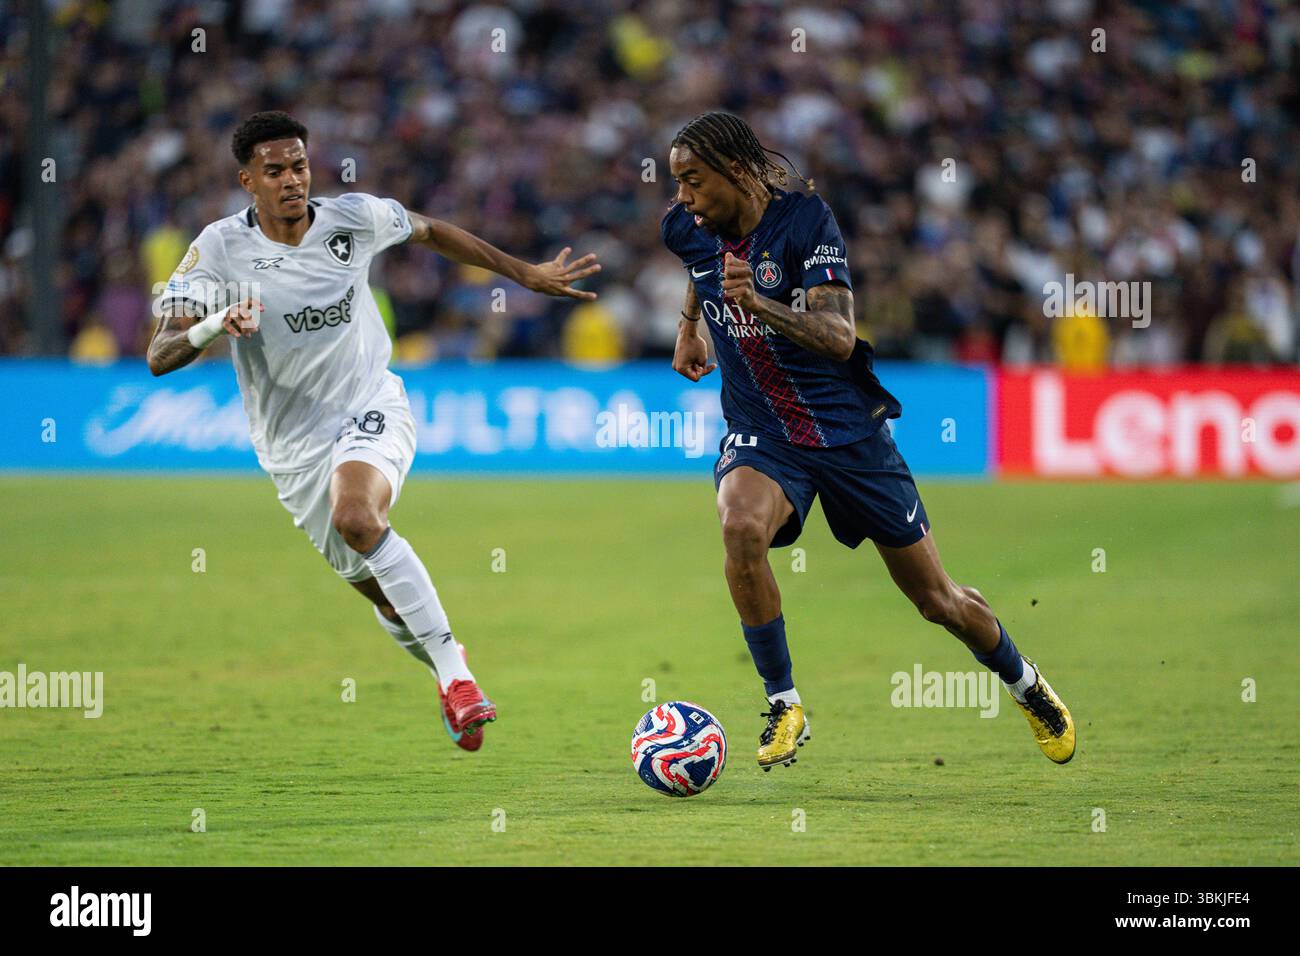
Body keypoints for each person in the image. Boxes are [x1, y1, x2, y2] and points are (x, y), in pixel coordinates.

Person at [147, 111, 600, 751]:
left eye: (299, 165)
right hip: (292, 447)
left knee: (356, 516)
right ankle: (448, 664)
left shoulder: (353, 219)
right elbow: (159, 354)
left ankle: (457, 675)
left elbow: (432, 231)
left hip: (369, 401)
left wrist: (523, 273)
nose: (292, 180)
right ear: (248, 180)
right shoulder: (219, 249)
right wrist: (215, 322)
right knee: (387, 599)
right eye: (274, 171)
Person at [660, 112, 1074, 770]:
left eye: (692, 180)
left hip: (847, 431)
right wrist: (691, 324)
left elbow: (840, 337)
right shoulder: (687, 224)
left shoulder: (804, 222)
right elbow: (697, 259)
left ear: (734, 172)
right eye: (675, 181)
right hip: (762, 431)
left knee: (937, 602)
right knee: (740, 526)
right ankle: (784, 702)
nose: (681, 197)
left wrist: (761, 306)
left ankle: (1027, 685)